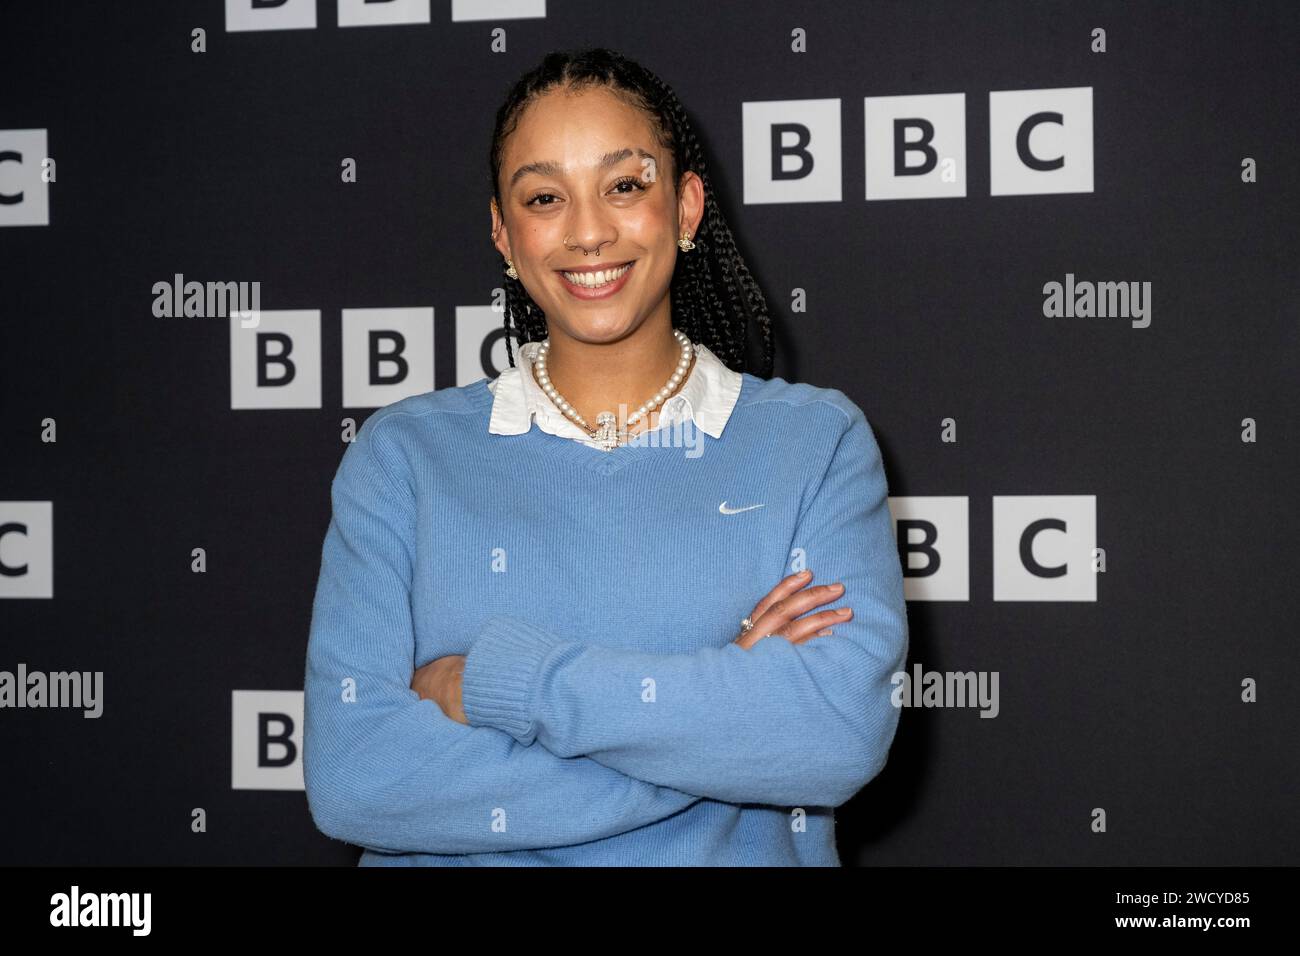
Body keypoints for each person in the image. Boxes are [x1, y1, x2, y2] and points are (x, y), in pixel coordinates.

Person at [302, 47, 908, 866]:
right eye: (545, 197)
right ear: (503, 235)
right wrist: (722, 722)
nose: (588, 231)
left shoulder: (815, 443)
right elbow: (357, 777)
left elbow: (834, 736)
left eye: (625, 185)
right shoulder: (403, 458)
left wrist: (501, 681)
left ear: (687, 207)